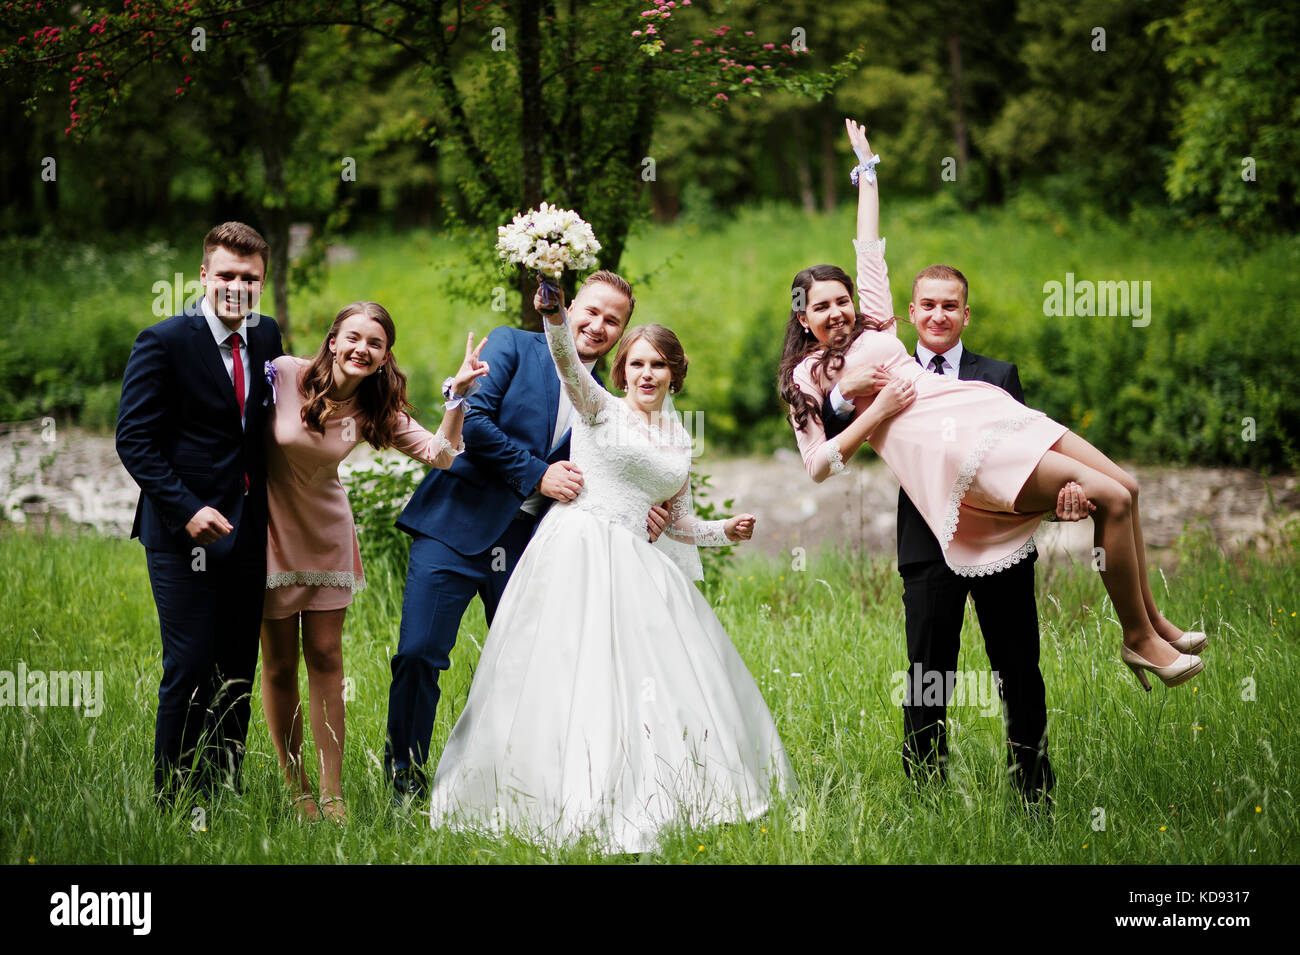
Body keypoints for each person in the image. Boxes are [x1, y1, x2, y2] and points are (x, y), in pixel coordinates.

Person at [779, 120, 1207, 694]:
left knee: (1124, 487)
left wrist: (867, 171)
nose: (836, 312)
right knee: (1108, 496)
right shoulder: (805, 379)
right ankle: (1135, 638)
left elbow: (869, 247)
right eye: (821, 307)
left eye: (841, 301)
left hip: (982, 405)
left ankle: (1152, 622)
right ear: (803, 318)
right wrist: (873, 409)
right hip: (952, 453)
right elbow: (818, 466)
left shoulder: (877, 321)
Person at [426, 283, 795, 853]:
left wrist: (728, 531)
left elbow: (680, 523)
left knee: (645, 680)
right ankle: (548, 789)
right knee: (568, 666)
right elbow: (568, 365)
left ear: (675, 374)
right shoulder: (598, 409)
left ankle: (652, 788)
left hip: (637, 564)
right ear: (622, 372)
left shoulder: (679, 441)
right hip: (577, 548)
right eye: (638, 364)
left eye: (659, 366)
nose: (647, 374)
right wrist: (553, 315)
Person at [383, 271, 670, 806]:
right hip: (455, 526)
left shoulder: (605, 402)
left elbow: (611, 478)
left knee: (524, 667)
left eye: (613, 320)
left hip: (530, 548)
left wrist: (644, 512)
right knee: (419, 652)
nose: (598, 325)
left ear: (622, 332)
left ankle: (511, 784)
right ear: (571, 304)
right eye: (591, 310)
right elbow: (476, 423)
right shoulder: (515, 345)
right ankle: (404, 776)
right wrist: (538, 474)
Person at [259, 303, 488, 823]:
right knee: (277, 664)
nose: (363, 349)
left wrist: (456, 398)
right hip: (270, 533)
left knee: (325, 656)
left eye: (376, 344)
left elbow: (441, 455)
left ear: (385, 357)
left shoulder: (371, 407)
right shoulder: (284, 374)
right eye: (354, 338)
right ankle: (297, 791)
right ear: (333, 340)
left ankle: (333, 792)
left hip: (326, 536)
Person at [117, 221, 284, 804]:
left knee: (236, 664)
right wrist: (188, 509)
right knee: (188, 665)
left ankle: (223, 788)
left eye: (251, 278)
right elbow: (133, 440)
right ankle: (173, 796)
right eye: (228, 276)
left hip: (248, 530)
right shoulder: (163, 342)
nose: (239, 287)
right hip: (180, 533)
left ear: (263, 282)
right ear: (204, 278)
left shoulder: (267, 339)